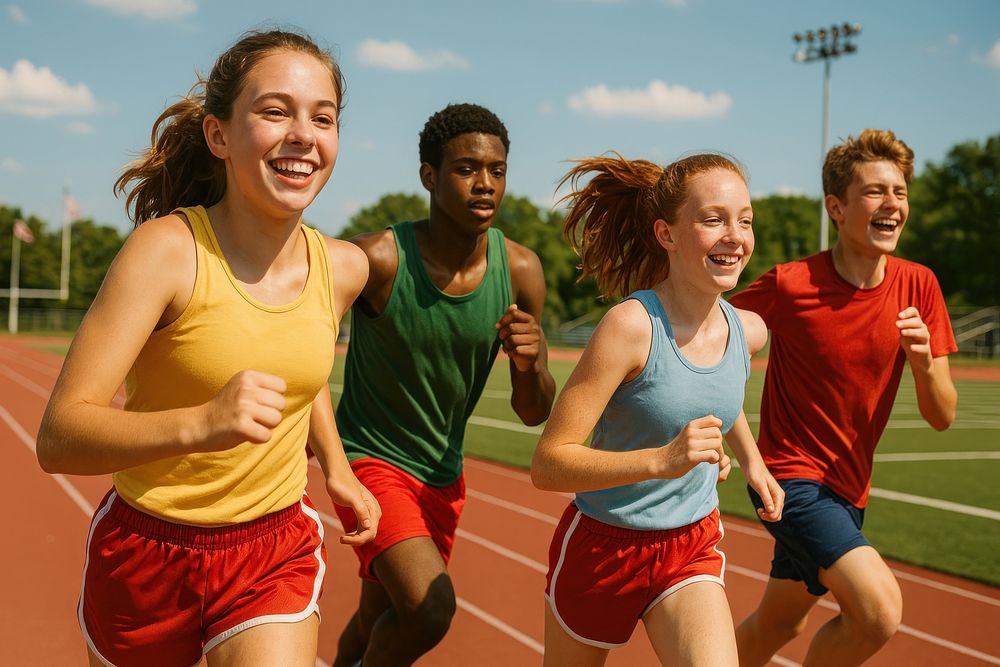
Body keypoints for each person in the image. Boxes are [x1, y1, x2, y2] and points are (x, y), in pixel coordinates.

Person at [35, 29, 379, 667]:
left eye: (323, 117)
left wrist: (337, 468)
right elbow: (59, 437)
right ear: (219, 135)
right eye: (275, 111)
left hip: (271, 550)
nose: (304, 133)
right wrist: (204, 423)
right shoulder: (165, 253)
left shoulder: (344, 269)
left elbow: (300, 383)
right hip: (146, 553)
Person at [530, 152, 785, 667]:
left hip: (691, 543)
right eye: (713, 219)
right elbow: (549, 463)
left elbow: (718, 396)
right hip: (604, 547)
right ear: (666, 235)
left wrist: (754, 463)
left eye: (745, 219)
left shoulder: (748, 332)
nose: (735, 235)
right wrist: (663, 460)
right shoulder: (631, 327)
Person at [328, 102, 556, 666]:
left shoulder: (520, 271)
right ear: (429, 175)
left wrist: (531, 365)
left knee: (376, 619)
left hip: (441, 475)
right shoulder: (377, 258)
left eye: (497, 170)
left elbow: (534, 412)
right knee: (430, 610)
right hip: (370, 462)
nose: (485, 185)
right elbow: (300, 340)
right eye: (466, 169)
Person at [731, 129, 958, 666]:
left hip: (850, 491)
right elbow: (710, 337)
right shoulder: (790, 284)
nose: (893, 204)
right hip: (789, 481)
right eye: (876, 191)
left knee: (779, 623)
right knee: (878, 611)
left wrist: (924, 364)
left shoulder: (919, 285)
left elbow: (941, 416)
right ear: (836, 206)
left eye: (900, 192)